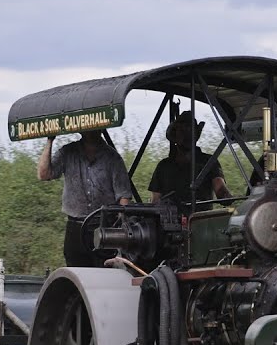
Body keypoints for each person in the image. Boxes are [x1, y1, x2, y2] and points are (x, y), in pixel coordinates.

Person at [38, 130, 132, 266]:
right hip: (75, 226)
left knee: (104, 270)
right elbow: (44, 174)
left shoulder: (112, 157)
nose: (91, 131)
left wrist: (120, 225)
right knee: (76, 272)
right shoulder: (68, 152)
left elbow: (124, 195)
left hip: (103, 225)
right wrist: (50, 140)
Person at [148, 112, 232, 210]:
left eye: (189, 130)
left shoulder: (209, 161)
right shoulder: (164, 166)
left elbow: (220, 188)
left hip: (200, 221)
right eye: (182, 131)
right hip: (169, 221)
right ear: (175, 136)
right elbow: (156, 200)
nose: (186, 135)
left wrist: (225, 196)